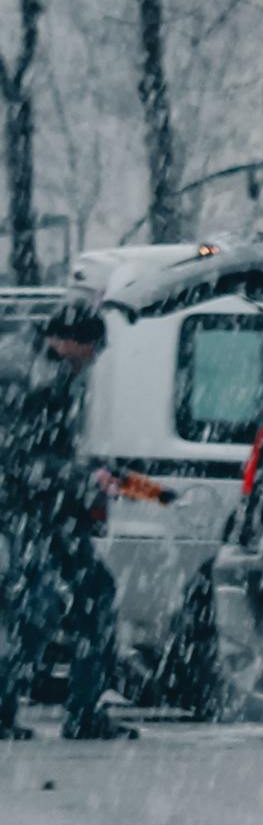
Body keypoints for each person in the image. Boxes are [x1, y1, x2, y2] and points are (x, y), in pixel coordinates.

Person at [2, 299, 125, 741]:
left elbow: (46, 453)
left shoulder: (45, 368)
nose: (93, 361)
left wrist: (91, 469)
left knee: (90, 593)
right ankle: (16, 710)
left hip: (46, 508)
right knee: (32, 605)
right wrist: (83, 474)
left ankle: (84, 711)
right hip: (20, 510)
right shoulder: (22, 373)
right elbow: (16, 459)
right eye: (93, 350)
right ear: (74, 342)